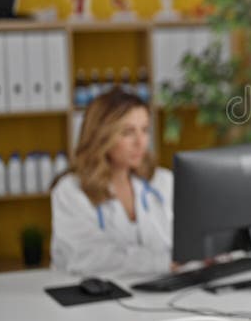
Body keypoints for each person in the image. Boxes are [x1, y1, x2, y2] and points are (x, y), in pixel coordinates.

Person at [50, 88, 173, 277]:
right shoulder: (71, 191)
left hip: (154, 293)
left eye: (145, 130)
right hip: (90, 298)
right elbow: (91, 258)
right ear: (101, 136)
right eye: (128, 132)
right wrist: (165, 262)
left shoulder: (162, 182)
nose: (141, 142)